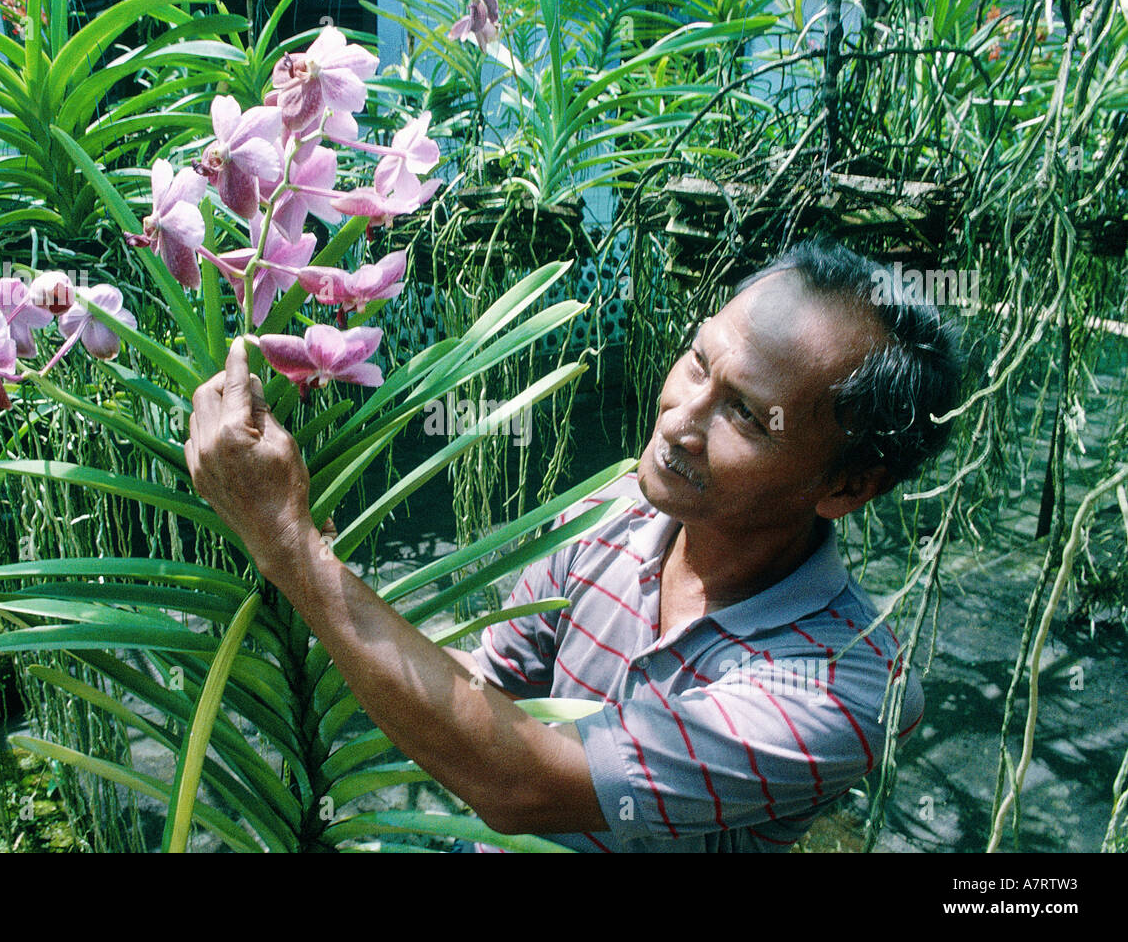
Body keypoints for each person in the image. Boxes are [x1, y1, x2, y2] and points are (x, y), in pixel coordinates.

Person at [184, 236, 963, 851]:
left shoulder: (842, 688)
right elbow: (494, 696)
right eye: (697, 361)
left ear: (848, 486)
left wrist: (288, 547)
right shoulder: (605, 515)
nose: (680, 419)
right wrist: (324, 587)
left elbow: (518, 780)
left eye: (748, 416)